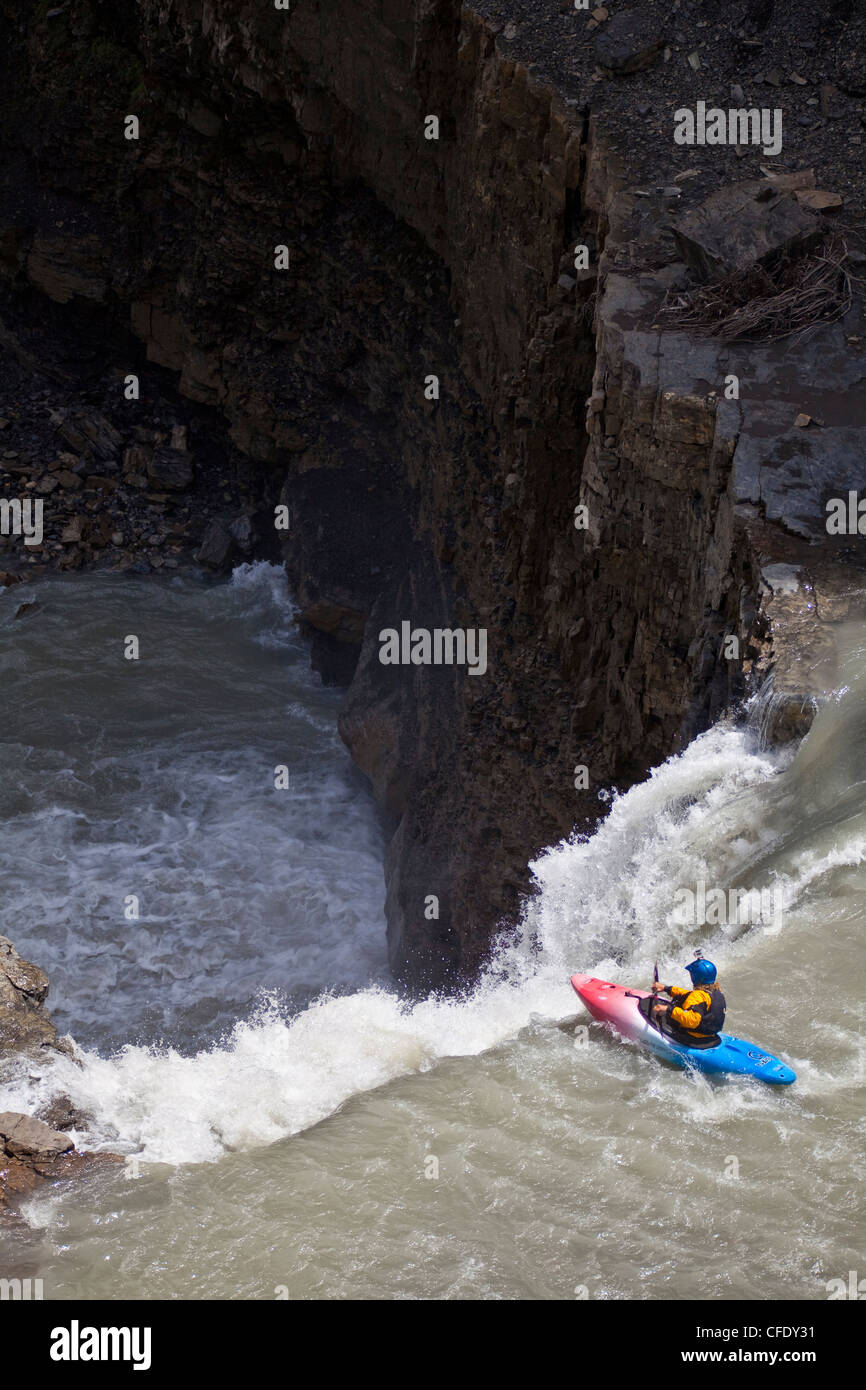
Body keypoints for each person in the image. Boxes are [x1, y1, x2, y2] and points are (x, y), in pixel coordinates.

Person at [651, 954, 726, 1041]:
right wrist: (666, 988)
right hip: (710, 1035)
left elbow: (692, 1021)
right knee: (684, 1001)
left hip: (693, 1038)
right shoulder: (717, 992)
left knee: (674, 1011)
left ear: (695, 977)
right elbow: (688, 995)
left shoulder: (697, 995)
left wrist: (668, 1009)